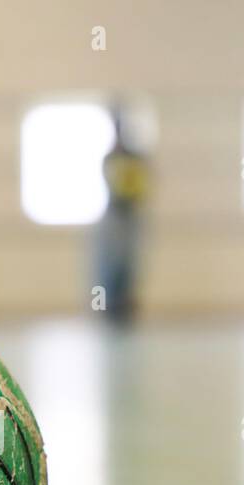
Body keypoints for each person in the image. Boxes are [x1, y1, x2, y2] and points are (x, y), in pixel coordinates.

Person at [94, 106, 150, 324]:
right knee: (110, 261)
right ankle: (108, 305)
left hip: (130, 213)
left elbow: (143, 182)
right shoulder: (111, 157)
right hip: (115, 213)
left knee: (128, 261)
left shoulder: (134, 156)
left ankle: (125, 304)